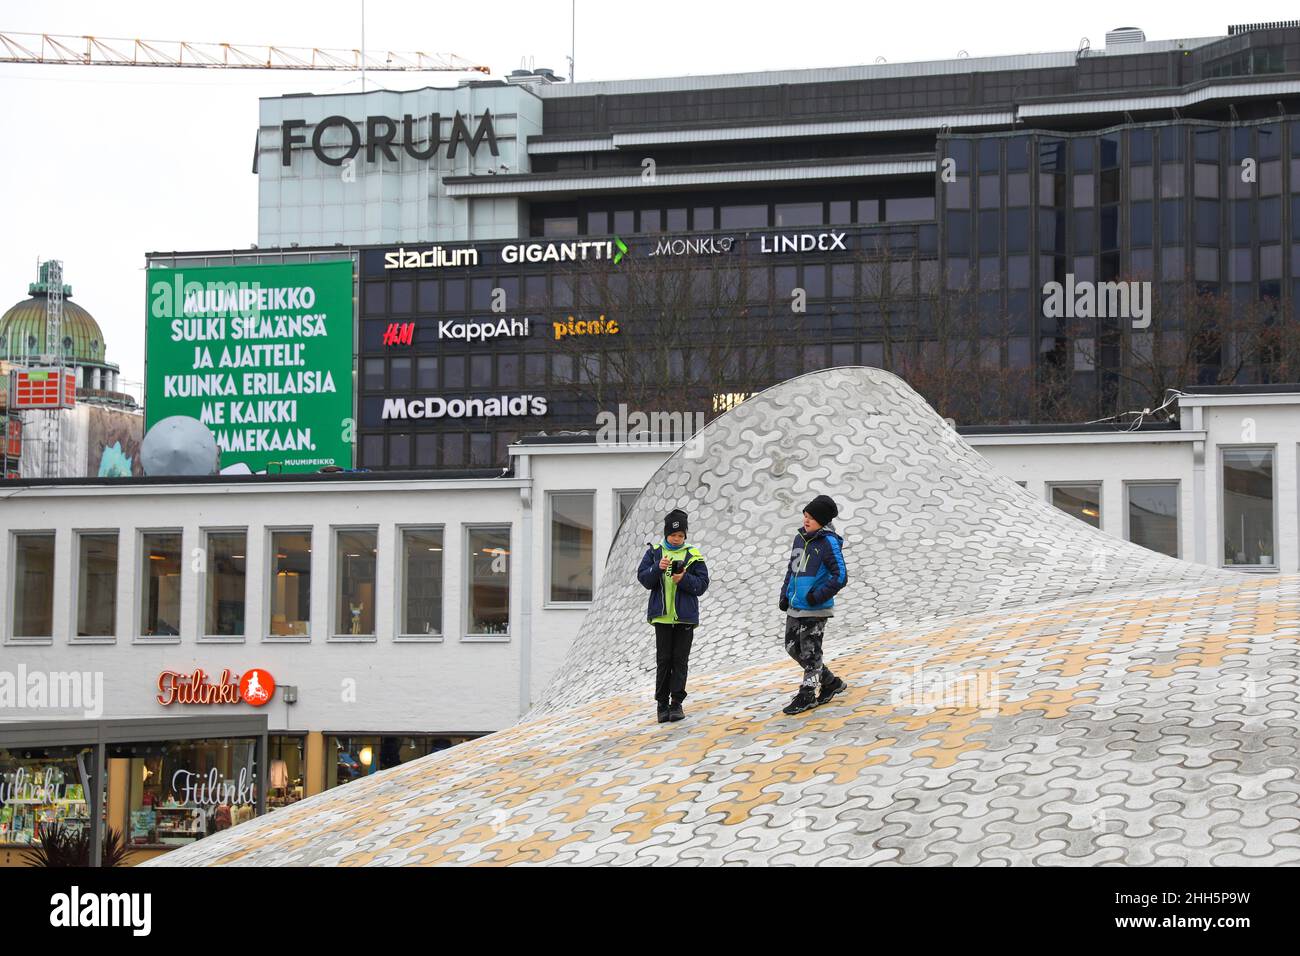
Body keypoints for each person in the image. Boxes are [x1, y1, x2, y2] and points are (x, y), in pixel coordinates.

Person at [637, 509, 709, 723]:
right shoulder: (655, 552)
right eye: (673, 535)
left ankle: (676, 703)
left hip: (685, 617)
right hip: (662, 617)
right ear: (666, 534)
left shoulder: (693, 555)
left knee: (680, 661)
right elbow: (644, 579)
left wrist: (684, 579)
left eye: (681, 536)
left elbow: (702, 585)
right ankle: (661, 704)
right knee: (664, 660)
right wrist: (657, 569)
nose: (677, 539)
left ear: (685, 536)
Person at [778, 494, 848, 715]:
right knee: (792, 647)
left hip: (815, 607)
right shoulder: (800, 538)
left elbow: (840, 576)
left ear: (823, 520)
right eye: (805, 516)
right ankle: (830, 682)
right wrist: (785, 594)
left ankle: (807, 694)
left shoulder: (828, 542)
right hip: (795, 604)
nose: (806, 521)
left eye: (811, 517)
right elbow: (793, 568)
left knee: (810, 652)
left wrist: (816, 597)